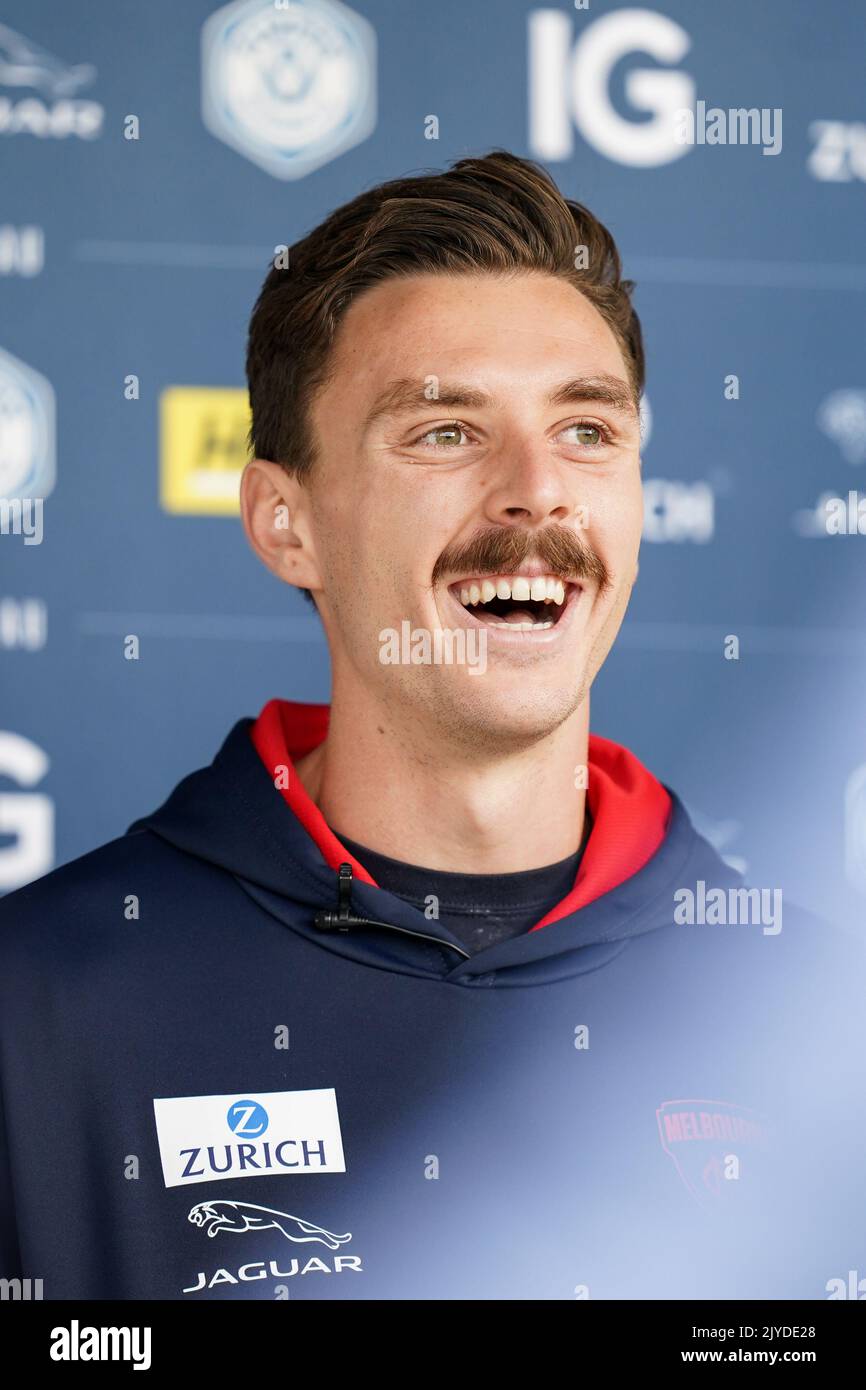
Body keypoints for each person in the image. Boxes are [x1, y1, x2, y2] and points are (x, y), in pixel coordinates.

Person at [0, 151, 863, 1301]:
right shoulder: (39, 1007)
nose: (534, 493)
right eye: (445, 431)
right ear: (283, 521)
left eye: (587, 432)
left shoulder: (813, 1028)